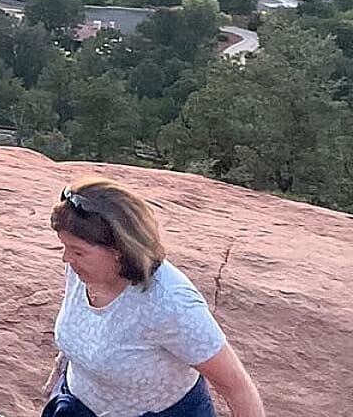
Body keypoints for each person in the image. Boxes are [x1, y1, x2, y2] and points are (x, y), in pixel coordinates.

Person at [43, 177, 264, 417]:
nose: (66, 258)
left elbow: (237, 389)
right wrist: (61, 367)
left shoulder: (171, 303)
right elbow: (88, 325)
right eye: (65, 246)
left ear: (118, 251)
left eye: (77, 251)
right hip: (81, 405)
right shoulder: (84, 271)